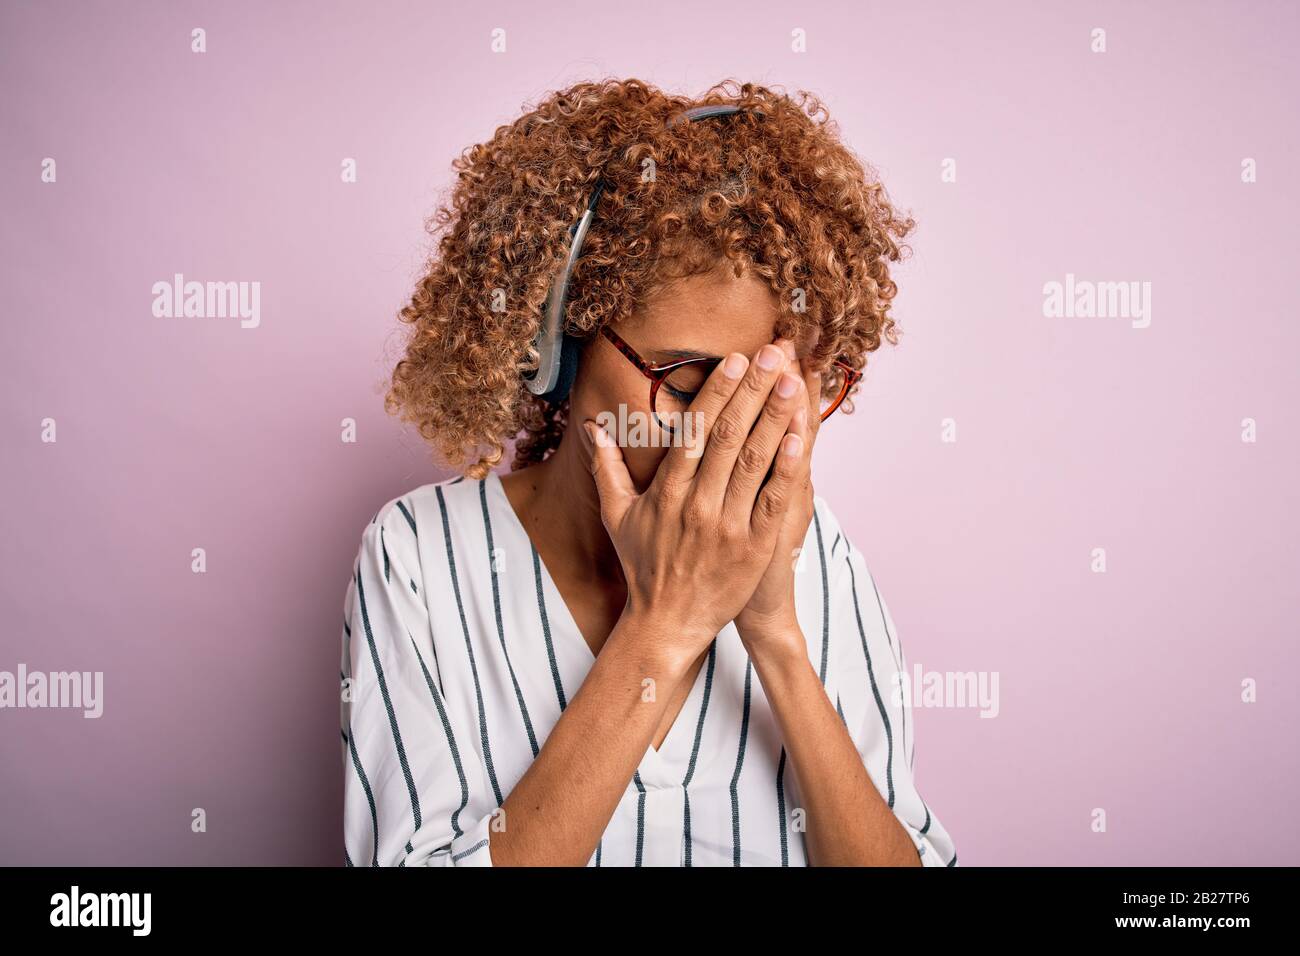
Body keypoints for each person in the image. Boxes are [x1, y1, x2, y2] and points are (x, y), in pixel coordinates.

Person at [340, 78, 957, 867]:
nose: (728, 435)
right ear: (557, 347)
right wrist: (666, 626)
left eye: (773, 392)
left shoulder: (814, 549)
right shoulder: (417, 555)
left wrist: (775, 635)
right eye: (690, 385)